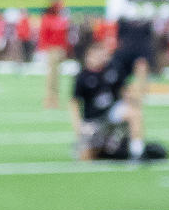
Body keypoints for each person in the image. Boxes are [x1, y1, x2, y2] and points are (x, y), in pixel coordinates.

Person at [67, 30, 162, 160]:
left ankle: (137, 153)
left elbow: (124, 89)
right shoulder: (82, 76)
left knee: (134, 113)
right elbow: (74, 103)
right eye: (100, 53)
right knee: (86, 158)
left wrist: (134, 101)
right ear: (90, 55)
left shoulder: (113, 67)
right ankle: (101, 148)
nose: (104, 56)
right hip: (93, 119)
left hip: (111, 112)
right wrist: (79, 127)